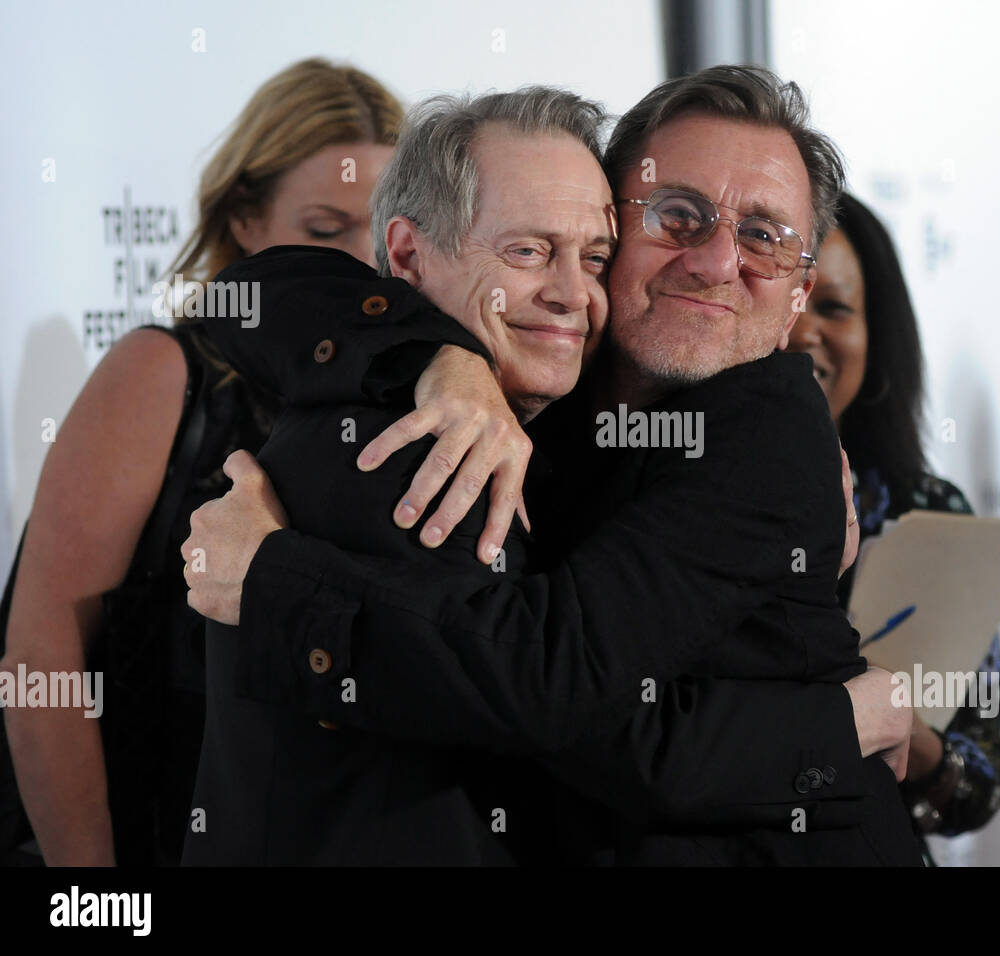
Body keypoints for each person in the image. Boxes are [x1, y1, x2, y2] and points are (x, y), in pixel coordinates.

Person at [183, 66, 920, 866]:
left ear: (798, 296)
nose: (715, 260)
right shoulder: (496, 407)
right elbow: (249, 294)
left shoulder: (768, 433)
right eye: (679, 215)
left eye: (764, 237)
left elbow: (554, 690)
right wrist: (437, 358)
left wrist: (270, 580)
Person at [0, 57, 400, 866]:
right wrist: (94, 894)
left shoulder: (417, 392)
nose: (360, 263)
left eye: (383, 227)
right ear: (244, 220)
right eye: (324, 229)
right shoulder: (163, 373)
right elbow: (43, 653)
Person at [792, 192, 1000, 863]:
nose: (806, 332)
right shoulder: (678, 489)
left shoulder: (926, 515)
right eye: (791, 301)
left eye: (834, 307)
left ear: (877, 335)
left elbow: (984, 780)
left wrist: (909, 740)